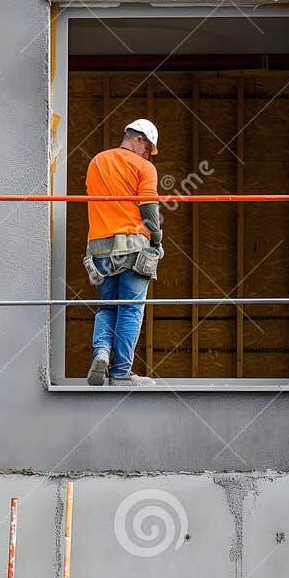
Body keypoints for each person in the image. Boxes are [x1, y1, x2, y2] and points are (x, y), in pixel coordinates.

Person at [83, 118, 164, 387]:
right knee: (130, 309)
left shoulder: (97, 162)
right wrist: (157, 240)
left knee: (108, 307)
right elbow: (149, 209)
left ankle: (101, 354)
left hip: (100, 250)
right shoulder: (144, 167)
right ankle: (120, 373)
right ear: (138, 140)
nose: (147, 155)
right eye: (147, 148)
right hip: (133, 249)